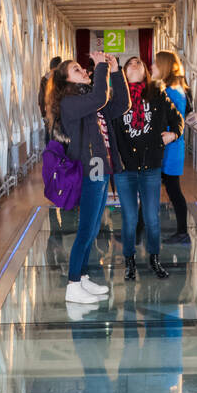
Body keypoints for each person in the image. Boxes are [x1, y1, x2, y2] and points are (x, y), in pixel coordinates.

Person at [45, 53, 130, 305]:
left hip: (101, 168)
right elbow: (101, 97)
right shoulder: (70, 102)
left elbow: (121, 105)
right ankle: (73, 284)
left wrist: (115, 72)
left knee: (93, 228)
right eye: (76, 69)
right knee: (85, 230)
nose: (83, 70)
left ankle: (81, 278)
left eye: (83, 68)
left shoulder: (87, 100)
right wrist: (101, 65)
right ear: (65, 80)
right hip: (90, 170)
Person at [113, 57, 183, 281]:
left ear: (145, 72)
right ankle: (129, 261)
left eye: (139, 63)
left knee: (152, 218)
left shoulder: (158, 95)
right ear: (124, 72)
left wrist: (174, 134)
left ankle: (154, 258)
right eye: (130, 63)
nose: (135, 64)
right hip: (125, 168)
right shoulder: (115, 97)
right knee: (130, 218)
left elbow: (178, 118)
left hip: (151, 166)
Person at [152, 50, 192, 245]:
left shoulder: (168, 91)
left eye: (155, 64)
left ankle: (183, 232)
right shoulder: (178, 88)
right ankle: (139, 230)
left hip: (169, 148)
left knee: (173, 191)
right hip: (172, 148)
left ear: (163, 66)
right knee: (156, 188)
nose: (152, 67)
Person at [39, 55, 62, 142]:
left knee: (49, 133)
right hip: (59, 110)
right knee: (60, 136)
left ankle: (50, 151)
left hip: (49, 111)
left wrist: (43, 113)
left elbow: (41, 98)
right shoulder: (61, 78)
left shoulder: (44, 79)